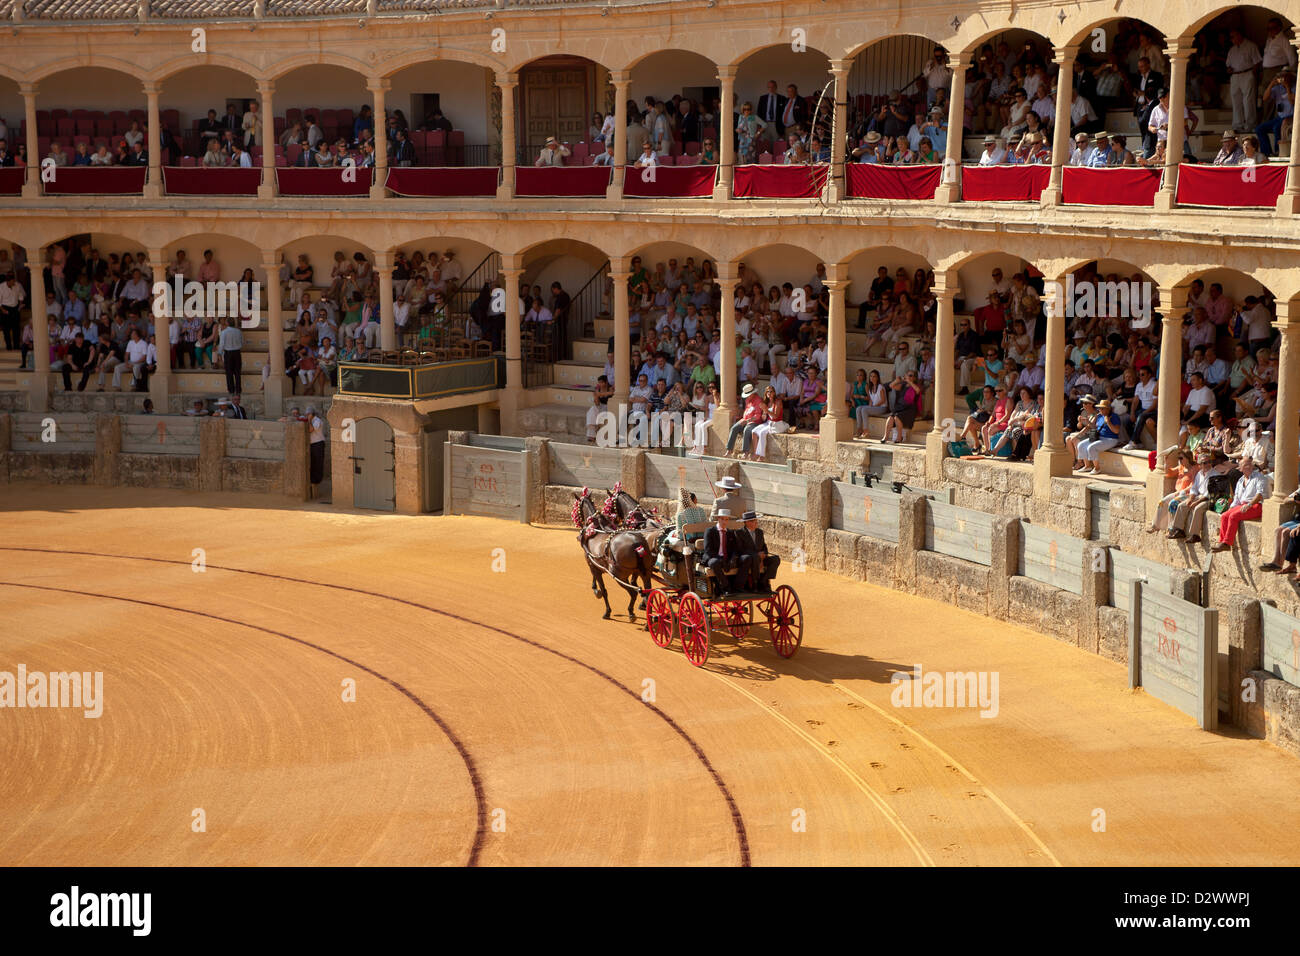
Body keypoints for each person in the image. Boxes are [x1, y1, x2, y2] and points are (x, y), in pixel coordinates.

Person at [1211, 455, 1269, 552]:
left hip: (1257, 505)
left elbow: (1260, 494)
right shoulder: (1240, 480)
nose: (1249, 466)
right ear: (1240, 468)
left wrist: (1249, 505)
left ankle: (1227, 543)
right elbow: (1237, 498)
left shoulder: (1259, 477)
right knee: (1225, 515)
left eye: (1250, 464)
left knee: (1234, 516)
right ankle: (1222, 542)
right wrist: (1231, 508)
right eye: (1246, 465)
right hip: (1243, 505)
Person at [703, 508, 749, 596]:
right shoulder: (710, 531)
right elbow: (708, 550)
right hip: (713, 558)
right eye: (722, 519)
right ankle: (725, 587)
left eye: (726, 519)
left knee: (745, 559)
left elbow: (735, 549)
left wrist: (732, 559)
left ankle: (738, 586)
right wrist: (721, 560)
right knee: (715, 562)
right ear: (718, 519)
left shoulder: (731, 532)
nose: (724, 521)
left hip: (726, 559)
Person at [735, 511, 779, 593]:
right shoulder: (739, 533)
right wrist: (756, 555)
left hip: (760, 559)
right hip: (748, 559)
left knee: (776, 559)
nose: (756, 522)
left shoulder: (759, 532)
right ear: (746, 523)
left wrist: (764, 555)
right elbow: (740, 549)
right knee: (755, 557)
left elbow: (764, 546)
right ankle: (755, 585)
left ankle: (764, 581)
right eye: (752, 520)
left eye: (756, 520)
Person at [725, 382, 765, 457]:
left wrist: (747, 421)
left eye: (748, 395)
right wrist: (742, 419)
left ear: (752, 394)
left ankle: (745, 453)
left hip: (755, 422)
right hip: (745, 420)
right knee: (734, 428)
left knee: (747, 430)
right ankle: (729, 450)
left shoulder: (758, 400)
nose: (746, 397)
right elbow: (746, 411)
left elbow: (758, 416)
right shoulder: (747, 400)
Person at [219, 315, 244, 397]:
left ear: (227, 323)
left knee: (229, 373)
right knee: (237, 372)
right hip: (237, 353)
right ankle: (238, 390)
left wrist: (219, 353)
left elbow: (222, 344)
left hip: (228, 353)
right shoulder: (239, 331)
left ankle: (231, 390)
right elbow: (242, 343)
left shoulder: (224, 332)